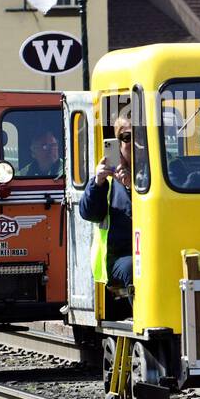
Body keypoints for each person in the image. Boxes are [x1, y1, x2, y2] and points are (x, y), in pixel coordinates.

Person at [77, 115, 134, 290]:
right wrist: (97, 183)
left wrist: (133, 187)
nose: (134, 143)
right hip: (119, 255)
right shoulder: (107, 179)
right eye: (127, 137)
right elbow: (89, 214)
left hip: (156, 248)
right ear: (118, 144)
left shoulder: (163, 170)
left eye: (141, 136)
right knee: (135, 268)